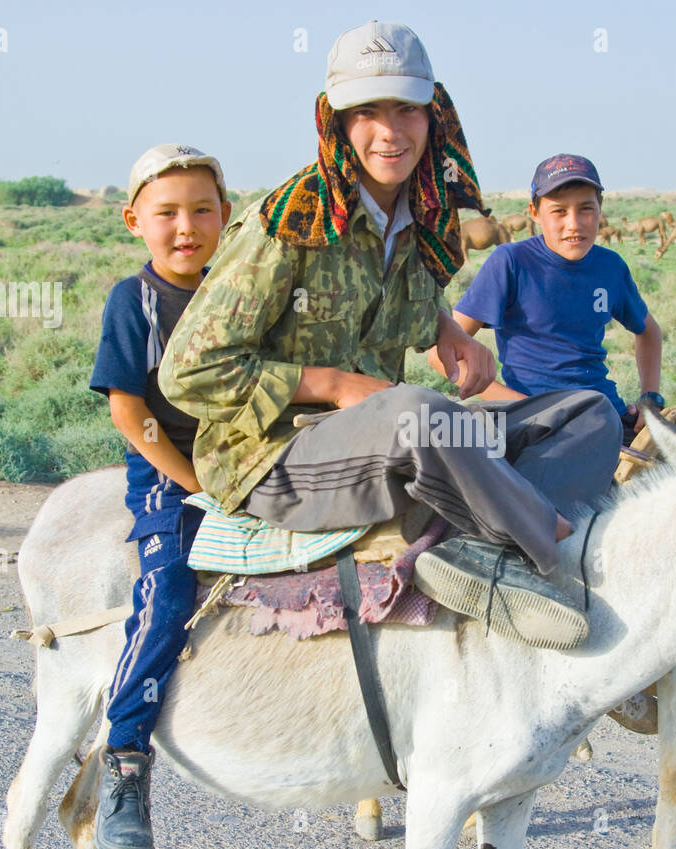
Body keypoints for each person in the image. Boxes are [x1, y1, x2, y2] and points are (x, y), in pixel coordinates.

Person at [159, 21, 620, 656]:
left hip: (392, 442)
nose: (389, 131)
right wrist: (332, 385)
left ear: (434, 117)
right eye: (366, 111)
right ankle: (548, 550)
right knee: (416, 410)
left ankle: (475, 551)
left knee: (587, 414)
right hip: (277, 459)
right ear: (336, 122)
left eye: (407, 108)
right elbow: (186, 370)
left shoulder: (417, 218)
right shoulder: (288, 222)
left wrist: (448, 334)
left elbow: (397, 301)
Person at [88, 144, 232, 849]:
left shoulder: (233, 294)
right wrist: (197, 486)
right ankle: (123, 765)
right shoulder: (133, 302)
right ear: (134, 220)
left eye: (201, 209)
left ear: (225, 218)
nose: (186, 226)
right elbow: (128, 412)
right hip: (168, 475)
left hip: (243, 467)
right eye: (167, 212)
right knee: (169, 591)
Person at [428, 154, 666, 446]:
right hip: (531, 425)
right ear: (534, 212)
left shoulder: (611, 268)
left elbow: (649, 332)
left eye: (586, 209)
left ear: (600, 209)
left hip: (604, 416)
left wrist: (650, 396)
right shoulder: (511, 263)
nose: (574, 224)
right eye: (559, 211)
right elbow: (440, 355)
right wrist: (516, 404)